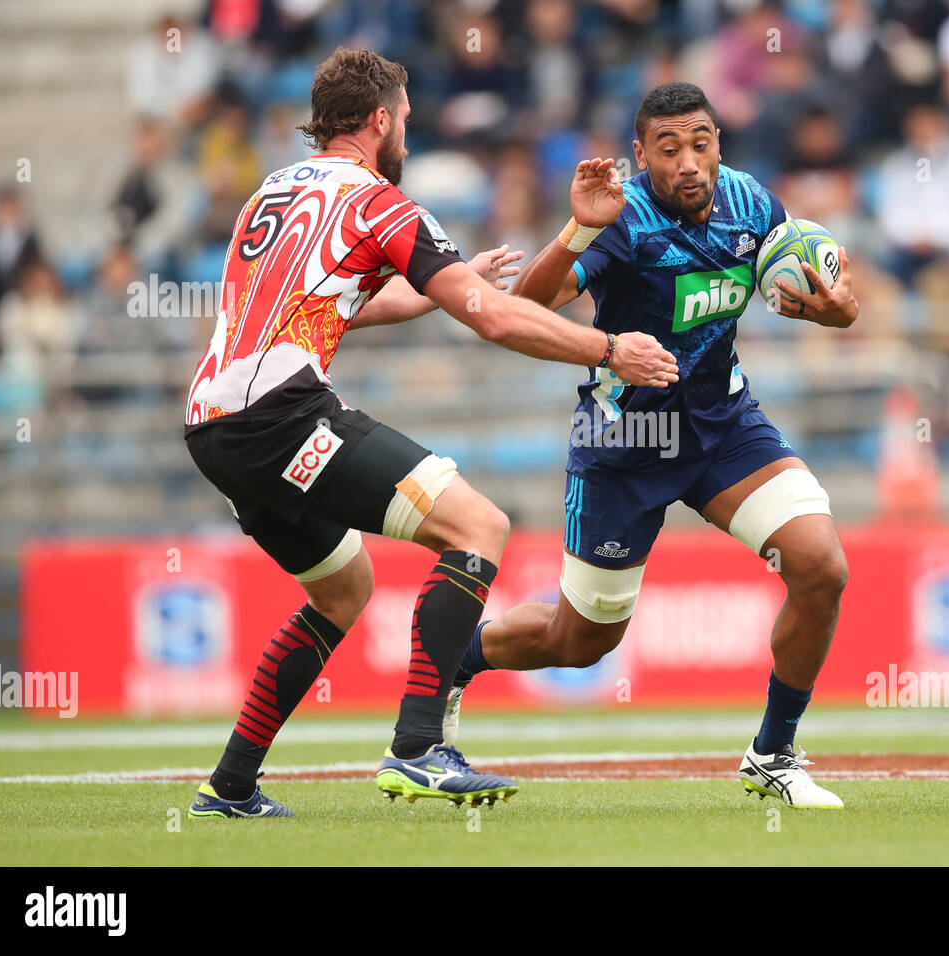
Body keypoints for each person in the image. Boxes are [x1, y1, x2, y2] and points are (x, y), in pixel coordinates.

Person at [182, 49, 678, 819]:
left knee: (344, 590)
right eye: (406, 118)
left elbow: (331, 304)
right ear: (380, 119)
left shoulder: (273, 190)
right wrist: (608, 348)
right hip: (279, 417)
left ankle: (231, 785)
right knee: (477, 525)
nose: (408, 131)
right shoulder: (380, 202)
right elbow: (493, 319)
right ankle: (417, 750)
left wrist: (447, 282)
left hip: (212, 424)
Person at [445, 82, 858, 810]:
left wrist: (839, 307)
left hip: (722, 425)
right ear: (641, 157)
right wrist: (575, 231)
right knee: (581, 642)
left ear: (719, 143)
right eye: (668, 150)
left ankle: (774, 752)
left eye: (701, 143)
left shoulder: (753, 204)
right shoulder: (622, 219)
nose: (688, 162)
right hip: (625, 440)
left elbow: (822, 285)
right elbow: (521, 311)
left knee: (821, 566)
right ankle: (458, 656)